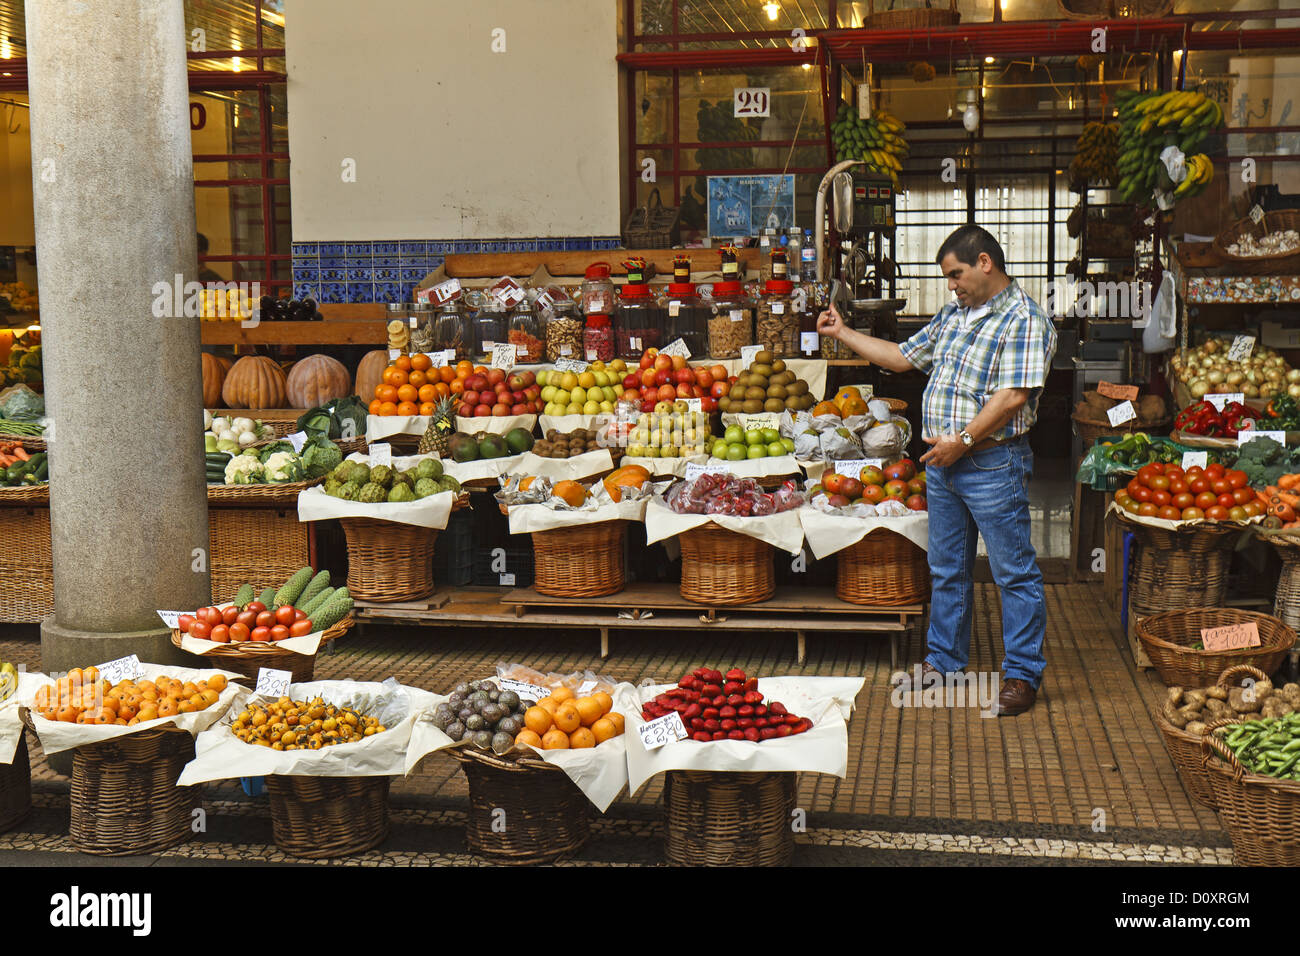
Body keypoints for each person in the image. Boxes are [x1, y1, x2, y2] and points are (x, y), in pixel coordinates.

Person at [816, 224, 1057, 716]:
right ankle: (945, 662)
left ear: (985, 262)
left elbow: (1011, 397)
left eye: (956, 274)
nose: (951, 285)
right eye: (948, 277)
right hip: (941, 461)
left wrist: (964, 440)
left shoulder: (1025, 319)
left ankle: (1022, 675)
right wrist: (843, 332)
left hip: (990, 461)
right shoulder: (955, 313)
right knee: (946, 568)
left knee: (1014, 573)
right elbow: (903, 358)